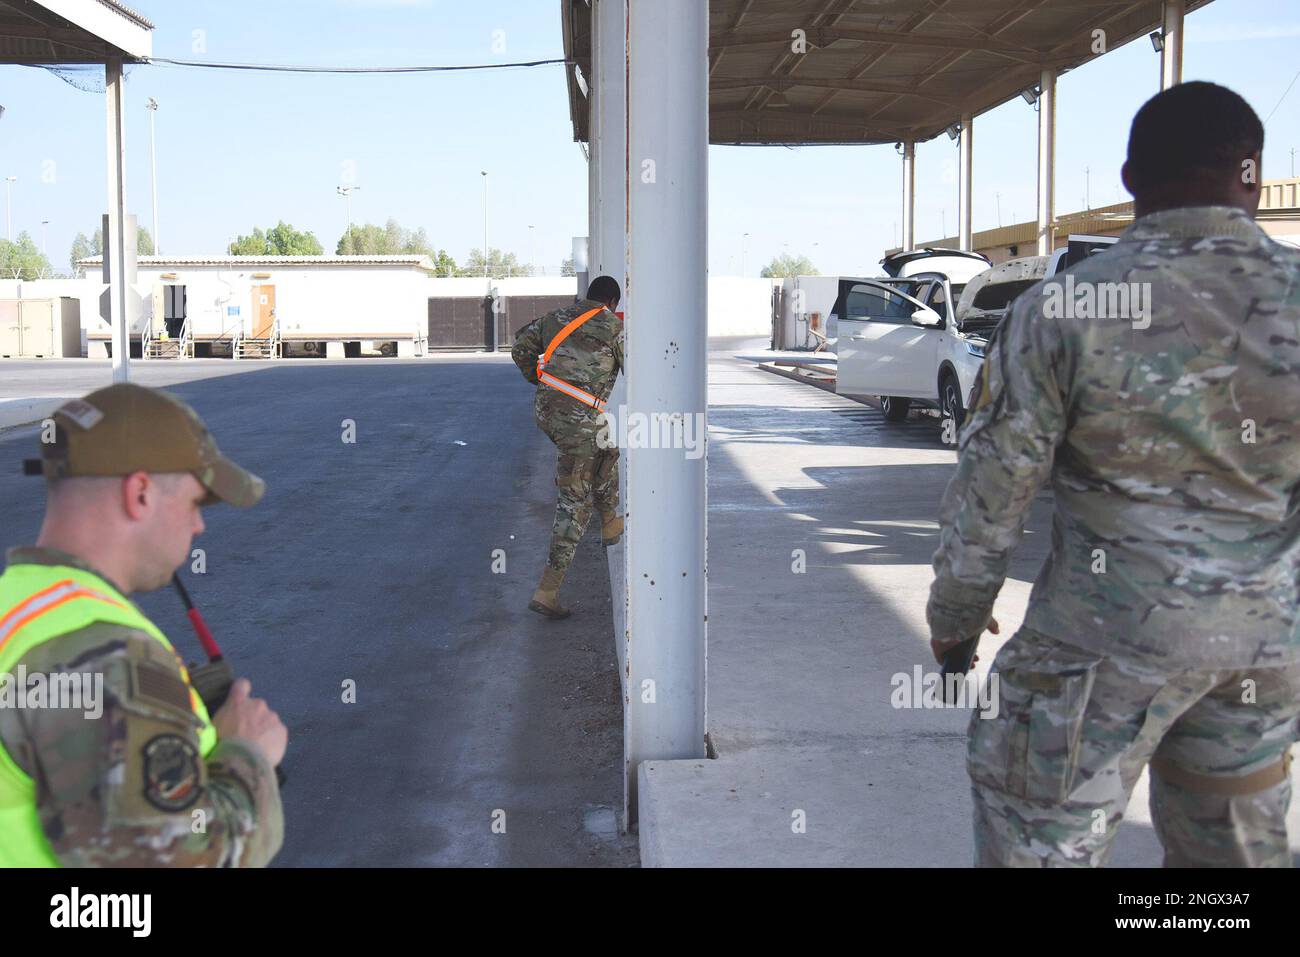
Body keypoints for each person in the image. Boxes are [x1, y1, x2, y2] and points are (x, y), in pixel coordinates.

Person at [927, 82, 1300, 867]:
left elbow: (995, 491)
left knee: (1040, 841)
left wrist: (957, 620)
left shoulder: (1065, 308)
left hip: (1097, 652)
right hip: (1264, 654)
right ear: (1253, 177)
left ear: (1131, 180)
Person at [0, 383, 286, 866]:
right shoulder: (102, 653)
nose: (200, 527)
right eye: (196, 503)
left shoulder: (21, 605)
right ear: (139, 493)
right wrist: (246, 752)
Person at [511, 276, 624, 618]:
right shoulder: (613, 327)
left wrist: (540, 379)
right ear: (613, 304)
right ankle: (548, 590)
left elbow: (520, 349)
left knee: (606, 446)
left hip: (548, 410)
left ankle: (609, 521)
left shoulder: (555, 317)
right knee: (574, 501)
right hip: (577, 419)